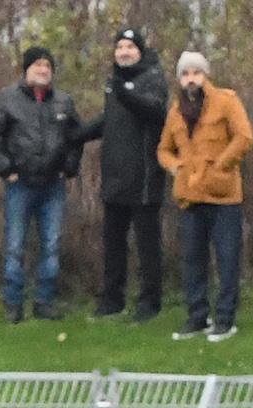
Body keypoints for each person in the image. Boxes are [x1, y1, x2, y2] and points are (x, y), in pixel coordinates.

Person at [157, 51, 253, 343]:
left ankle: (225, 320)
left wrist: (221, 165)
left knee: (227, 259)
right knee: (192, 260)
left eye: (196, 73)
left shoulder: (226, 101)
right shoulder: (176, 110)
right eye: (186, 74)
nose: (191, 79)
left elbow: (245, 138)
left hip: (224, 197)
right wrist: (177, 169)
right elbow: (163, 150)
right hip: (190, 197)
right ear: (180, 78)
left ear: (205, 75)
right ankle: (197, 317)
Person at [76, 27, 169, 322]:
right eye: (119, 48)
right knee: (113, 245)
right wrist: (77, 135)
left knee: (147, 247)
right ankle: (112, 300)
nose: (123, 52)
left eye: (129, 47)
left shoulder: (152, 78)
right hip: (114, 177)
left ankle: (149, 302)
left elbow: (154, 111)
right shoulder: (114, 82)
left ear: (140, 52)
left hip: (143, 179)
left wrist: (124, 92)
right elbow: (110, 120)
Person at [0, 45, 82, 324]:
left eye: (47, 66)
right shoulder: (7, 99)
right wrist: (6, 169)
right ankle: (13, 304)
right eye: (38, 65)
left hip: (53, 186)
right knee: (15, 246)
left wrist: (69, 167)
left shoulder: (63, 102)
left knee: (51, 246)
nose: (43, 70)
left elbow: (76, 138)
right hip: (20, 185)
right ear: (26, 69)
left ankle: (44, 301)